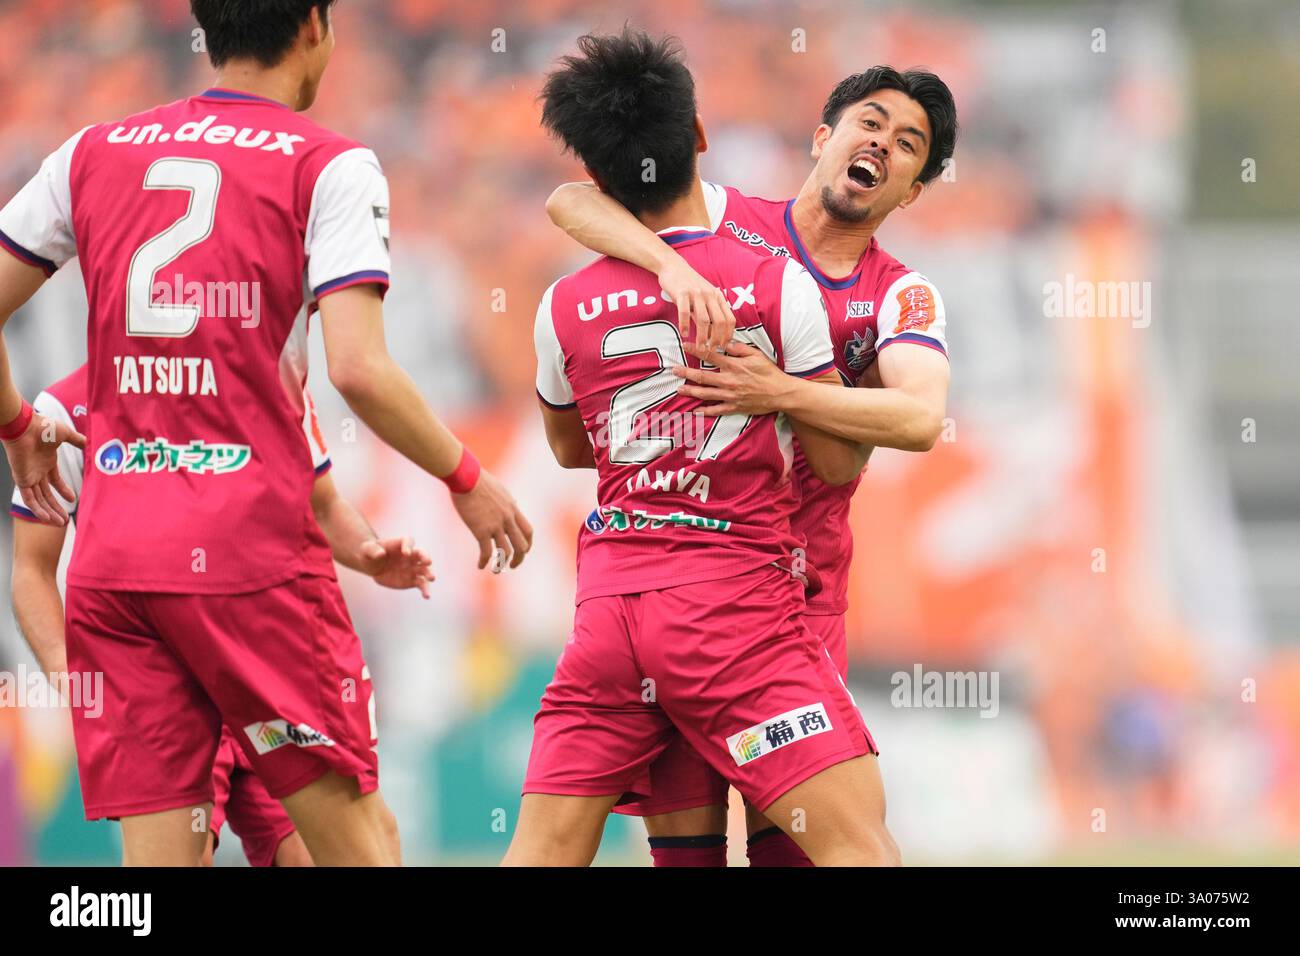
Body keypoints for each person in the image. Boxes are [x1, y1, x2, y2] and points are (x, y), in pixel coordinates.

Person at [0, 0, 530, 865]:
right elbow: (359, 370)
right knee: (357, 845)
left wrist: (17, 422)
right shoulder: (331, 165)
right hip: (247, 558)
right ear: (315, 26)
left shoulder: (89, 151)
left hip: (115, 566)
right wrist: (466, 478)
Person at [546, 63, 957, 865]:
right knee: (689, 855)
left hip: (798, 603)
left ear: (909, 191)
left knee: (794, 853)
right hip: (688, 583)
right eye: (870, 122)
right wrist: (670, 264)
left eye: (909, 146)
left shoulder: (901, 297)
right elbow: (569, 200)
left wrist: (781, 392)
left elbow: (919, 416)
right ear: (823, 136)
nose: (883, 143)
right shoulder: (725, 222)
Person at [11, 363, 431, 866]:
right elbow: (31, 570)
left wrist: (368, 553)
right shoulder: (67, 413)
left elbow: (323, 504)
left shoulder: (268, 386)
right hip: (160, 690)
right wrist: (73, 678)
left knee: (328, 852)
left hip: (259, 671)